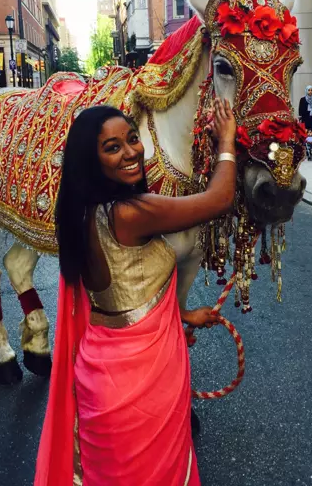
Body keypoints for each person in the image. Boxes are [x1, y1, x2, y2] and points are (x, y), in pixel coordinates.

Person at [35, 99, 238, 486]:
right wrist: (226, 141)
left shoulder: (81, 212)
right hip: (138, 389)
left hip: (102, 378)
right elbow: (220, 199)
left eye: (132, 139)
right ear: (90, 160)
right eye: (112, 147)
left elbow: (122, 296)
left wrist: (182, 316)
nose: (131, 153)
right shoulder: (130, 213)